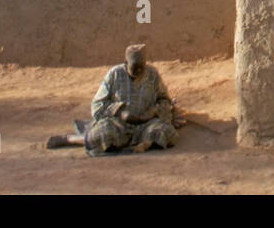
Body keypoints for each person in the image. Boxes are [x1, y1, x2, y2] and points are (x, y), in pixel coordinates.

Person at [46, 43, 179, 155]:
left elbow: (164, 100)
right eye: (134, 67)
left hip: (145, 124)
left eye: (141, 67)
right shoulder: (114, 74)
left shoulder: (152, 74)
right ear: (126, 63)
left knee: (164, 131)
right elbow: (97, 105)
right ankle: (70, 139)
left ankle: (143, 145)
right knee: (103, 134)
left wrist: (154, 111)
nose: (139, 71)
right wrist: (120, 112)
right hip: (118, 124)